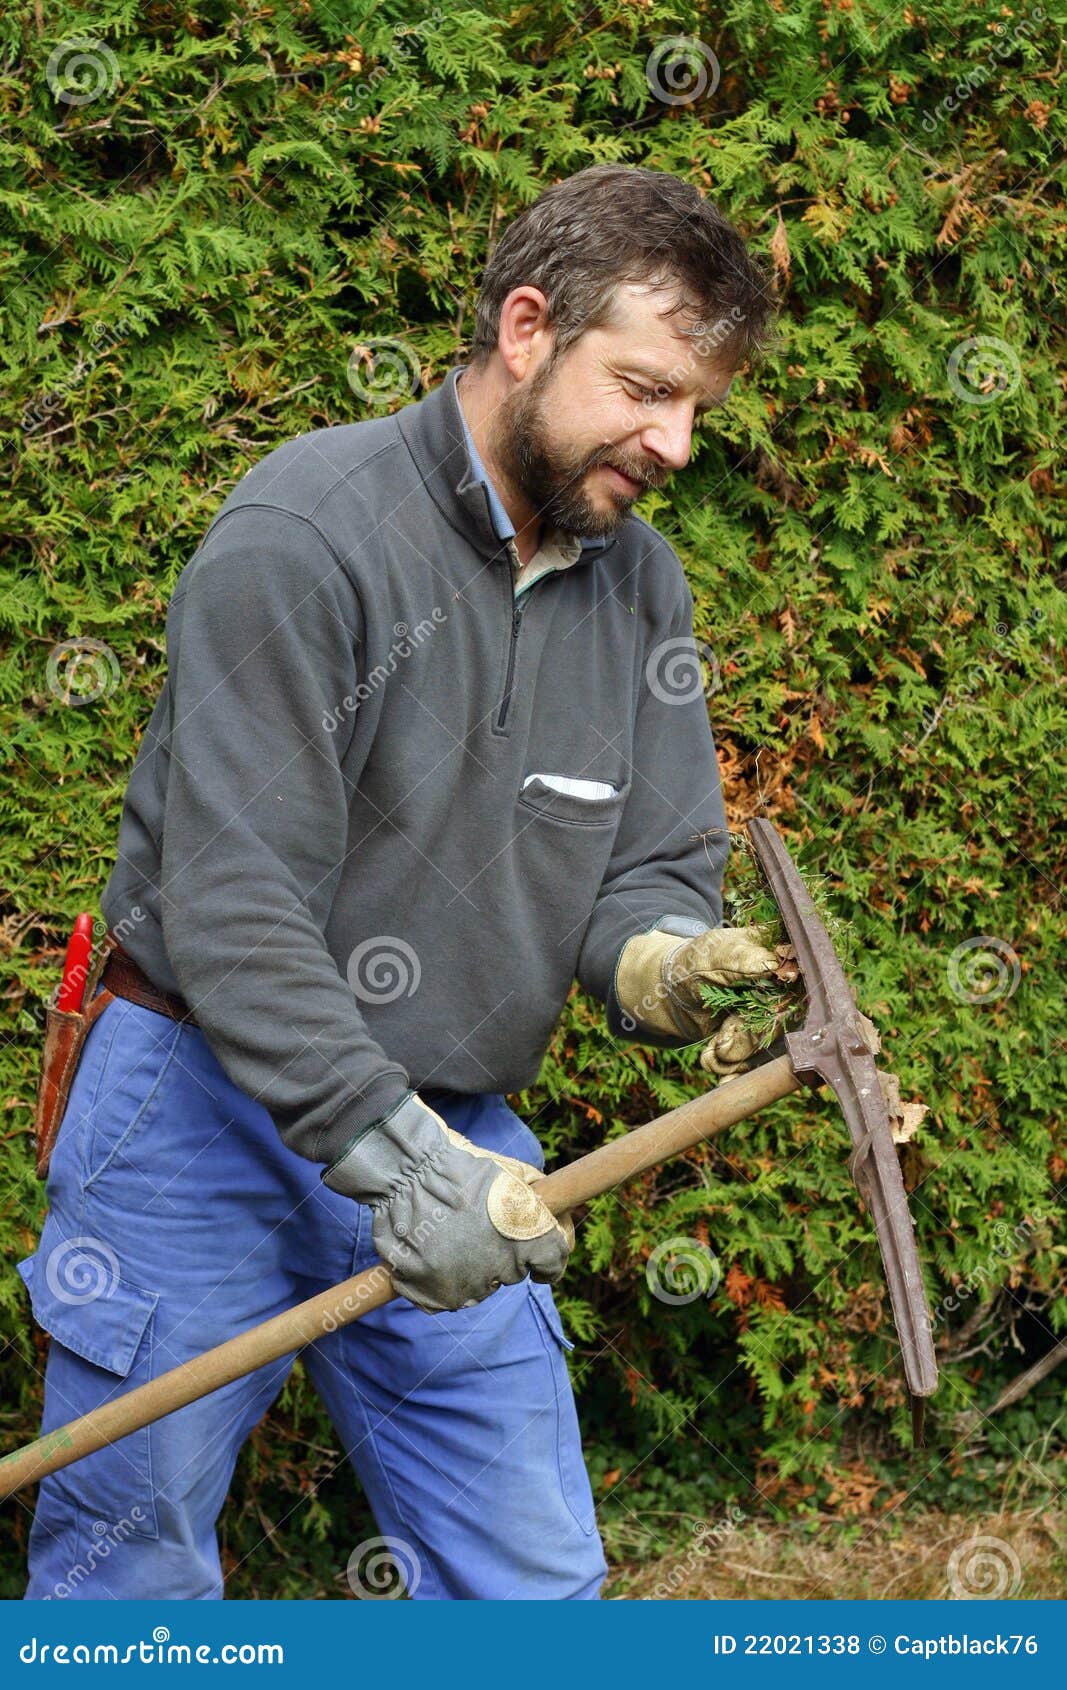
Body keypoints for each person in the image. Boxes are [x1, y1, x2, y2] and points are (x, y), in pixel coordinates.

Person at [19, 163, 777, 1601]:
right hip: (199, 1110)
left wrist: (667, 963)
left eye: (695, 408)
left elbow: (648, 865)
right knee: (130, 1579)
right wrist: (401, 1160)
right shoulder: (308, 534)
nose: (674, 441)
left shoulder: (641, 589)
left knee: (535, 1588)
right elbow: (236, 913)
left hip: (460, 1123)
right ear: (526, 326)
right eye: (644, 388)